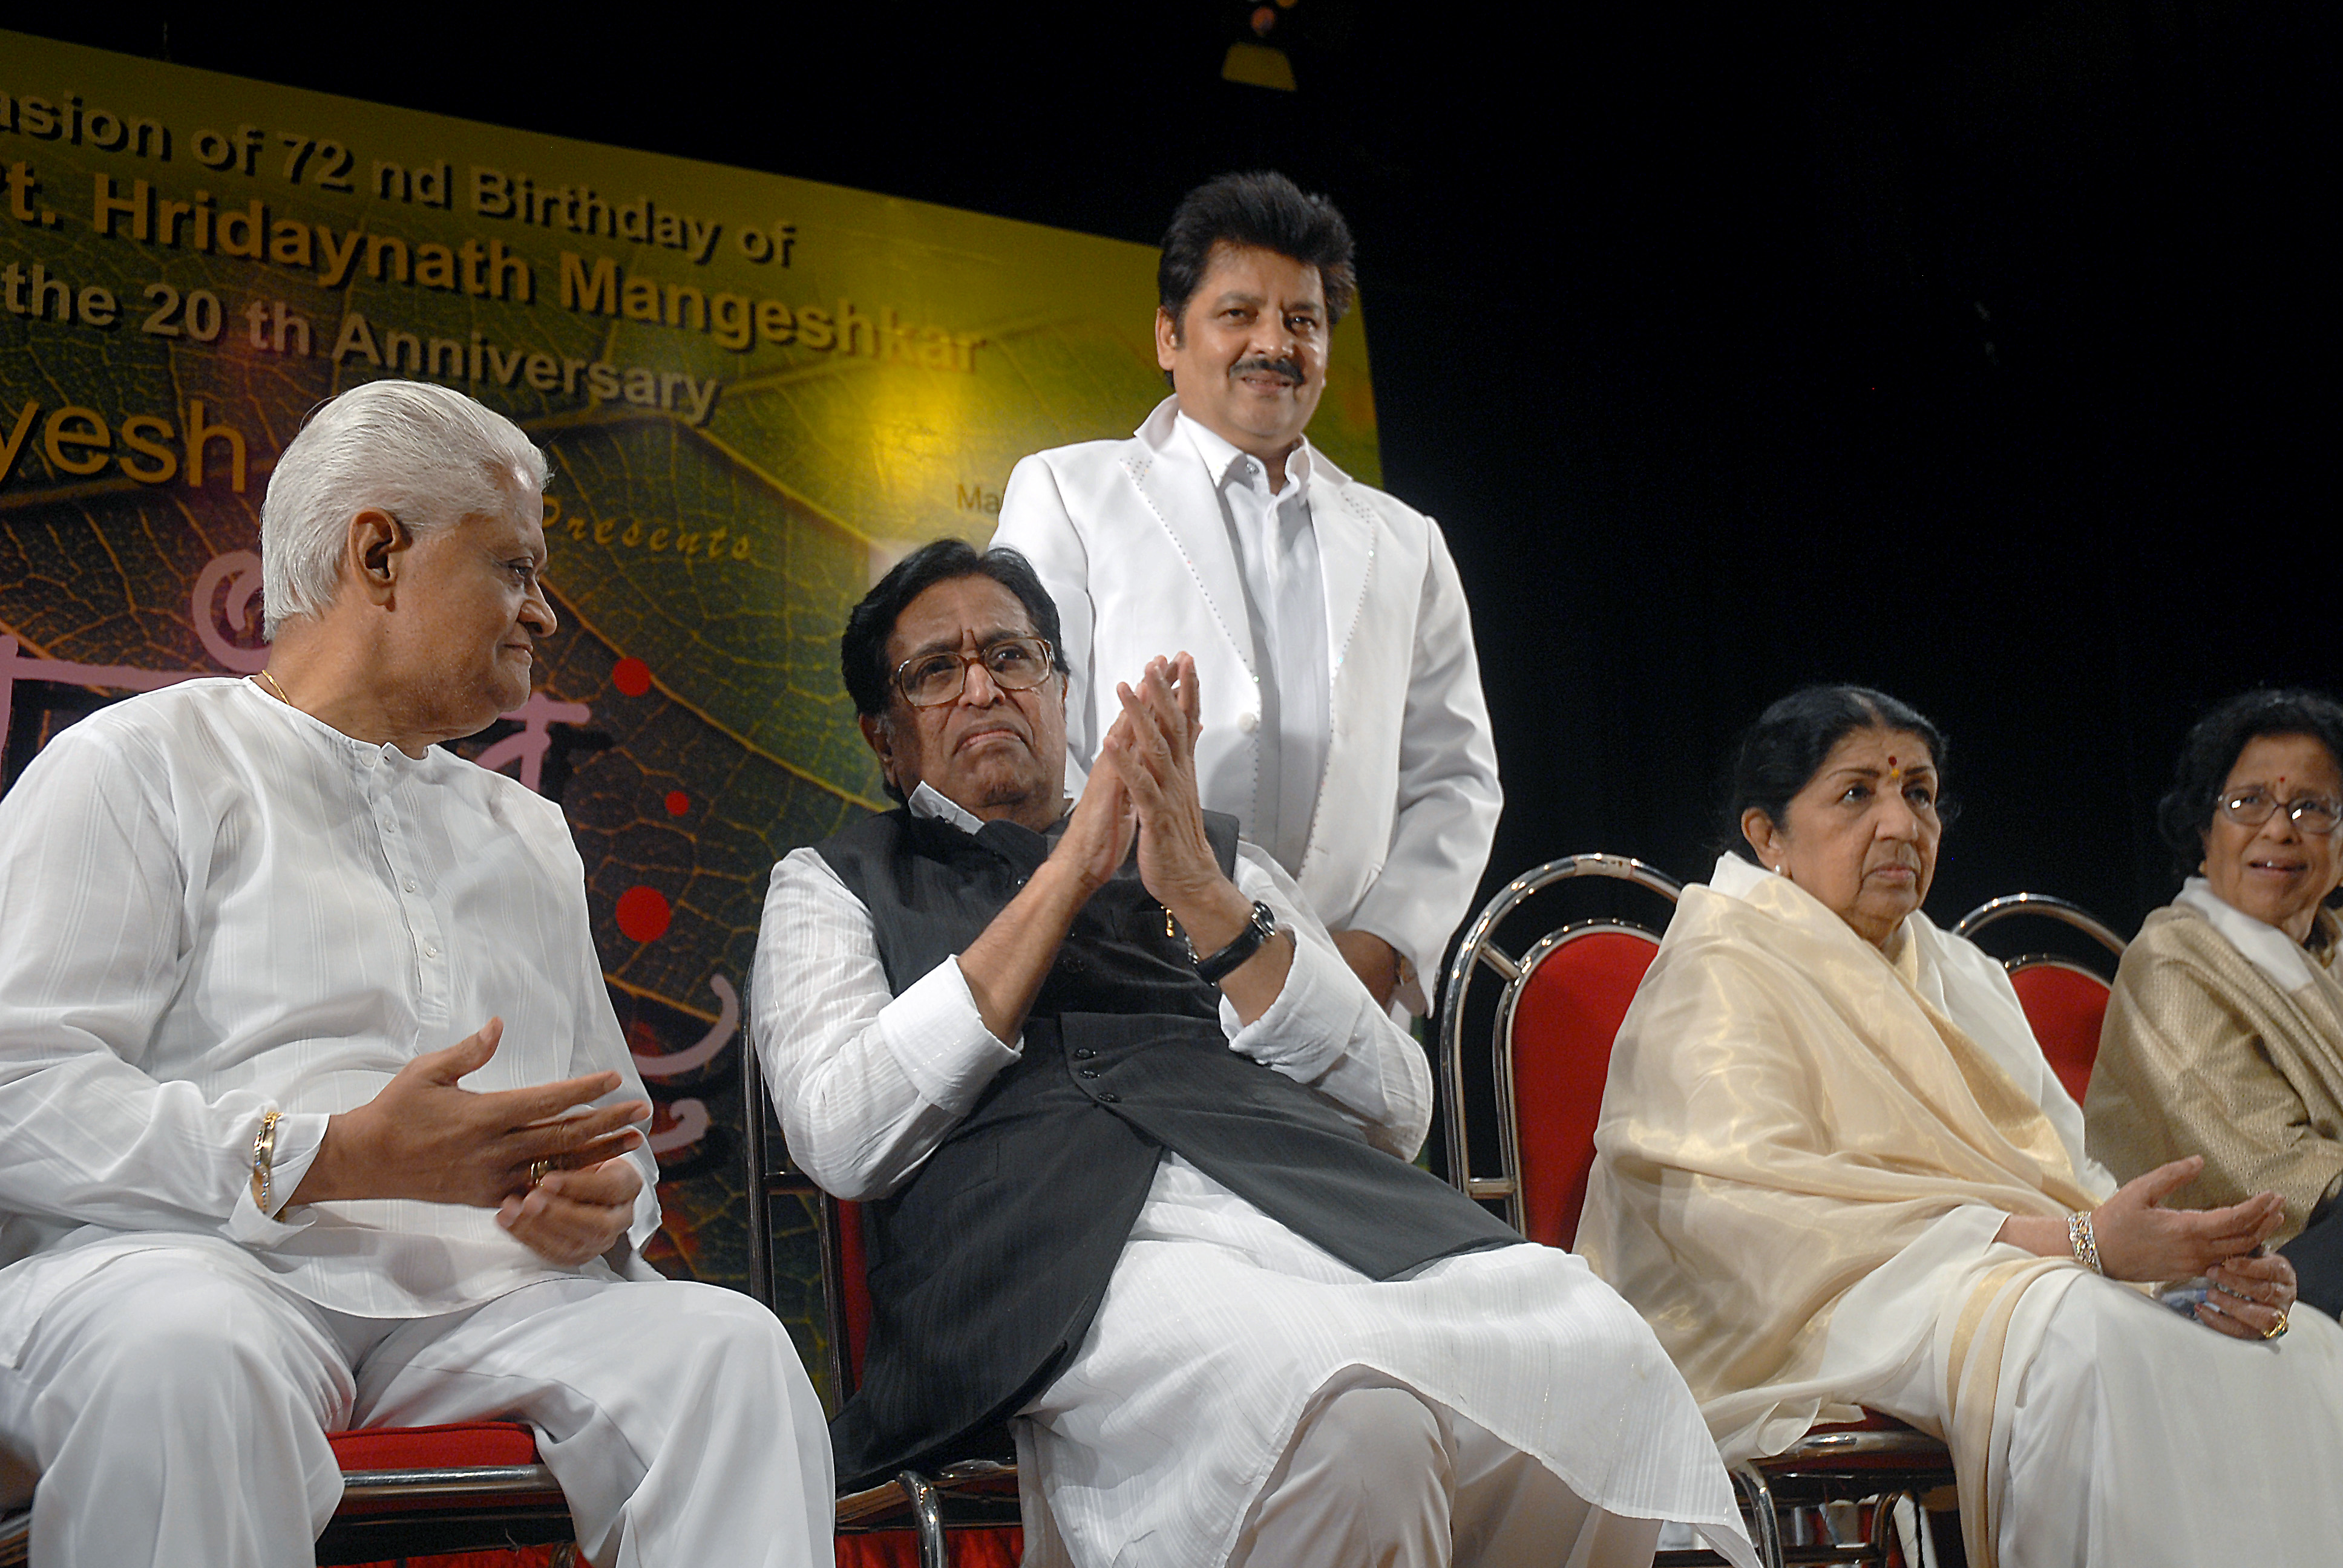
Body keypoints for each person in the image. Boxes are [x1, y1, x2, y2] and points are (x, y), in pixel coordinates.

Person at [751, 538, 1753, 1568]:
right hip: (1057, 1262)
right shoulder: (831, 884)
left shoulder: (1214, 855)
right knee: (1359, 1429)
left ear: (1058, 685)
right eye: (934, 671)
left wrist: (1198, 889)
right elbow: (843, 1131)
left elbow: (1396, 1104)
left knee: (1589, 1355)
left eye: (1012, 655)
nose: (982, 687)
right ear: (884, 740)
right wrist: (1069, 873)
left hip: (1305, 1211)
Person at [0, 381, 831, 1567]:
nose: (544, 613)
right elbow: (18, 1094)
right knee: (186, 1353)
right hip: (179, 1266)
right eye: (513, 568)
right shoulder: (139, 765)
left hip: (465, 1307)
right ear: (378, 552)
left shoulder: (526, 831)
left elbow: (613, 1134)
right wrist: (327, 1157)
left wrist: (601, 1202)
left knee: (727, 1357)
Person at [1578, 685, 2343, 1568]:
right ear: (1767, 834)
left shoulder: (1963, 971)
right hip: (1814, 1300)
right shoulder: (1723, 955)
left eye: (1922, 794)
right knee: (2081, 1340)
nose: (1902, 824)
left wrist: (2185, 1265)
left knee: (2297, 1346)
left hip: (1993, 1264)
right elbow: (1744, 1215)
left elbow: (2062, 1168)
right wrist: (2081, 1245)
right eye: (1858, 793)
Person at [991, 170, 1501, 1014]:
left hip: (1346, 997)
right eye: (1238, 314)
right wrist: (1147, 922)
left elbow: (1456, 779)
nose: (1276, 343)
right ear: (1167, 336)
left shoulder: (1406, 541)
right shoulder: (1068, 494)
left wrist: (1383, 948)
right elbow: (1039, 745)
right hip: (1135, 979)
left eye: (1302, 320)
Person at [2086, 688, 2343, 1316]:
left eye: (2311, 809)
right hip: (2241, 1283)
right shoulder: (2170, 961)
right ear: (2203, 830)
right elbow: (2264, 1174)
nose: (2279, 830)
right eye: (2247, 803)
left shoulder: (2332, 948)